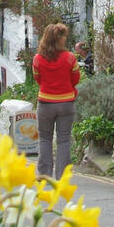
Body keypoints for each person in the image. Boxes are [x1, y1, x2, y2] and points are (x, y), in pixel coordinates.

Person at [33, 23, 80, 178]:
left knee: (45, 139)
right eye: (64, 36)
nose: (65, 39)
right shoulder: (70, 58)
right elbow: (75, 79)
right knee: (63, 140)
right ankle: (62, 176)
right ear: (59, 39)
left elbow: (38, 79)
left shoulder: (38, 59)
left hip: (46, 103)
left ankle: (44, 174)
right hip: (66, 103)